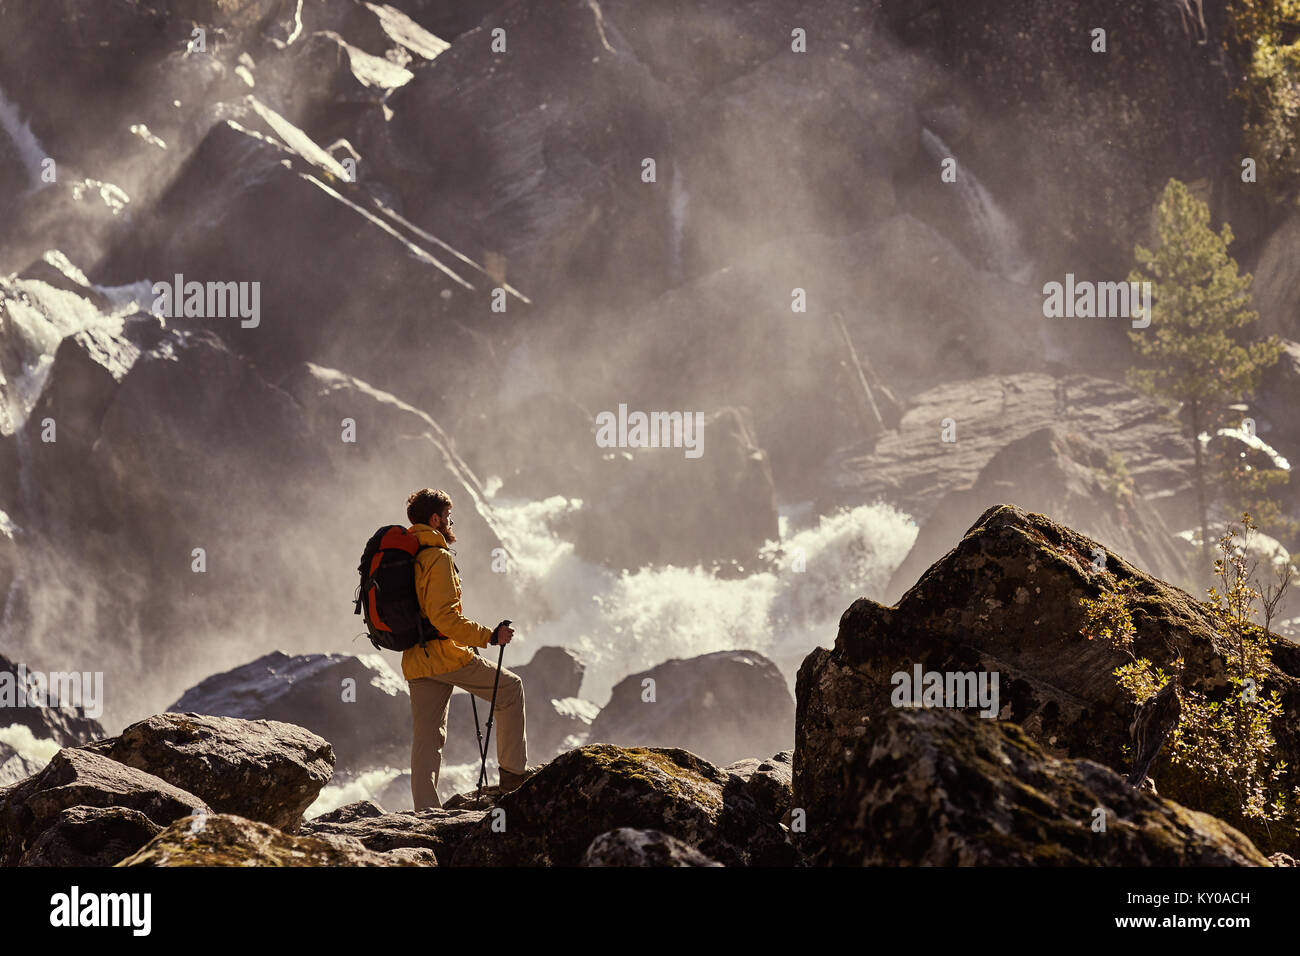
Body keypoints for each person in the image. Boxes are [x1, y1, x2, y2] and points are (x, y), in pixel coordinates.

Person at [403, 487, 535, 809]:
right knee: (509, 689)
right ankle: (513, 780)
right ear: (435, 519)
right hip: (445, 656)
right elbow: (445, 618)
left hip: (416, 659)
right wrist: (490, 637)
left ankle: (424, 812)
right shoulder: (437, 557)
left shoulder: (409, 556)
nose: (451, 523)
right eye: (448, 517)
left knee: (427, 738)